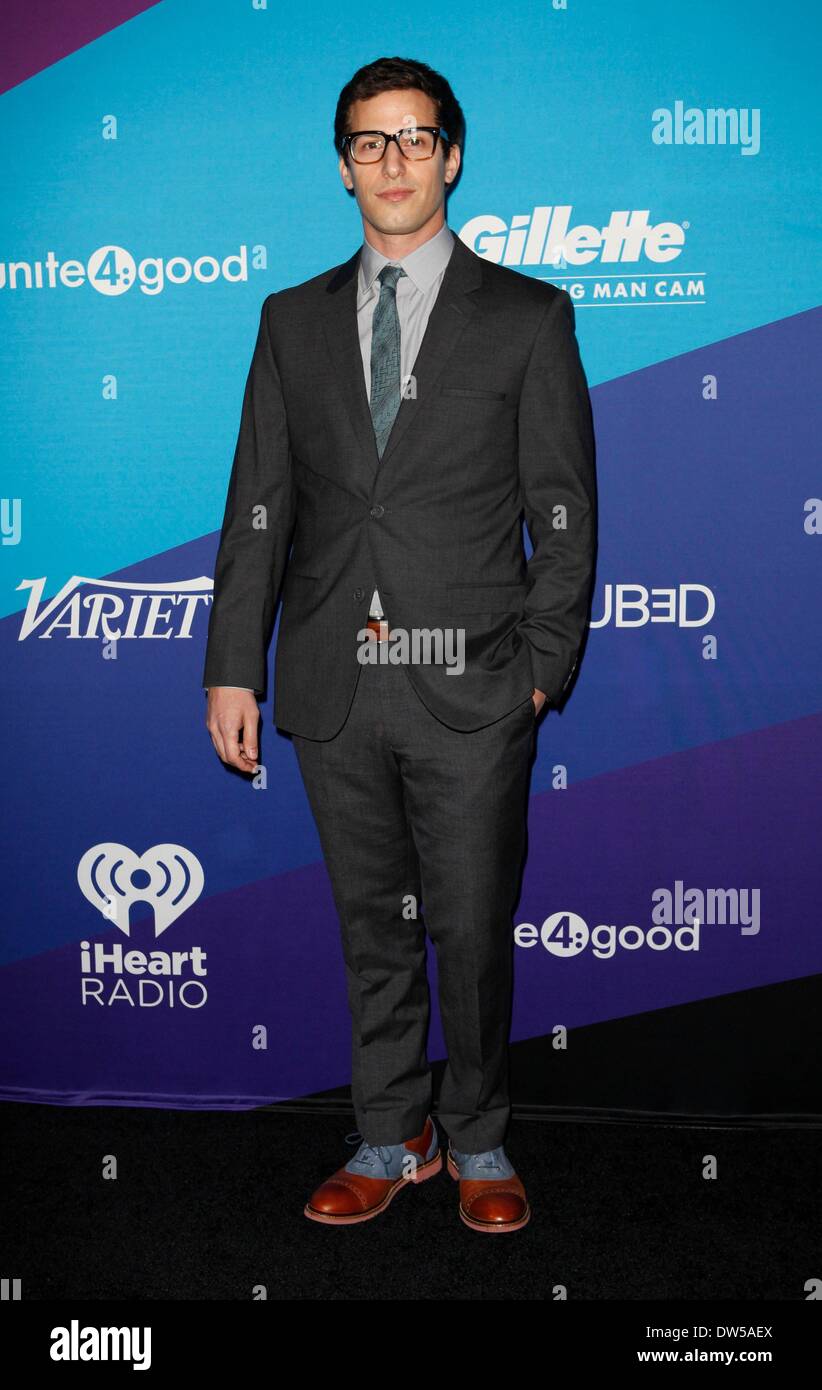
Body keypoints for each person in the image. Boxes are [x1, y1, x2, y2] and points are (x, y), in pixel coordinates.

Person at [203, 55, 597, 1234]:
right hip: (333, 680)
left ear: (453, 156)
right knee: (373, 927)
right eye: (370, 142)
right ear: (342, 165)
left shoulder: (529, 318)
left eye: (416, 138)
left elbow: (565, 512)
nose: (393, 161)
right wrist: (235, 660)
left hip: (476, 686)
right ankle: (391, 1130)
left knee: (471, 931)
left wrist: (540, 670)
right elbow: (259, 504)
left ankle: (477, 1135)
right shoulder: (289, 320)